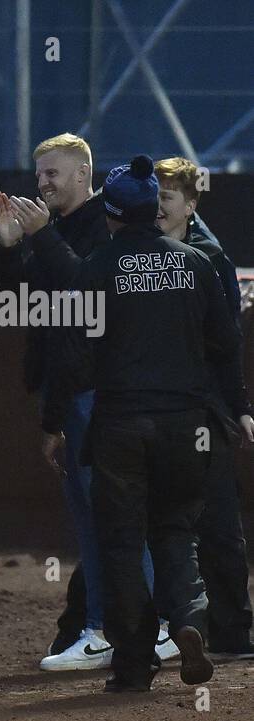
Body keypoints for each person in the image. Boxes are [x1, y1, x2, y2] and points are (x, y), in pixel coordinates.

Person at [43, 155, 252, 692]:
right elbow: (227, 347)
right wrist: (238, 407)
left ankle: (134, 663)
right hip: (184, 425)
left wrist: (54, 424)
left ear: (111, 215)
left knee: (119, 543)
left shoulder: (96, 268)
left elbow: (71, 358)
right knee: (176, 532)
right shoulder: (197, 264)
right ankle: (187, 617)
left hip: (119, 426)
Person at [0, 132, 139, 671]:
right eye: (39, 175)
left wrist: (40, 237)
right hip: (72, 395)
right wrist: (8, 246)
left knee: (116, 521)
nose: (43, 183)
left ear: (84, 175)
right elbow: (19, 306)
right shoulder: (52, 229)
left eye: (53, 174)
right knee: (97, 523)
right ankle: (109, 628)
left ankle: (138, 628)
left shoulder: (106, 224)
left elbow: (88, 303)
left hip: (99, 396)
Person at [154, 157, 254, 661]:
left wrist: (237, 406)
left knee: (213, 524)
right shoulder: (152, 252)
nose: (156, 208)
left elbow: (226, 340)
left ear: (190, 206)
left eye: (166, 199)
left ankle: (230, 631)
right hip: (178, 408)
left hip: (201, 409)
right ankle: (196, 626)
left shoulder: (205, 258)